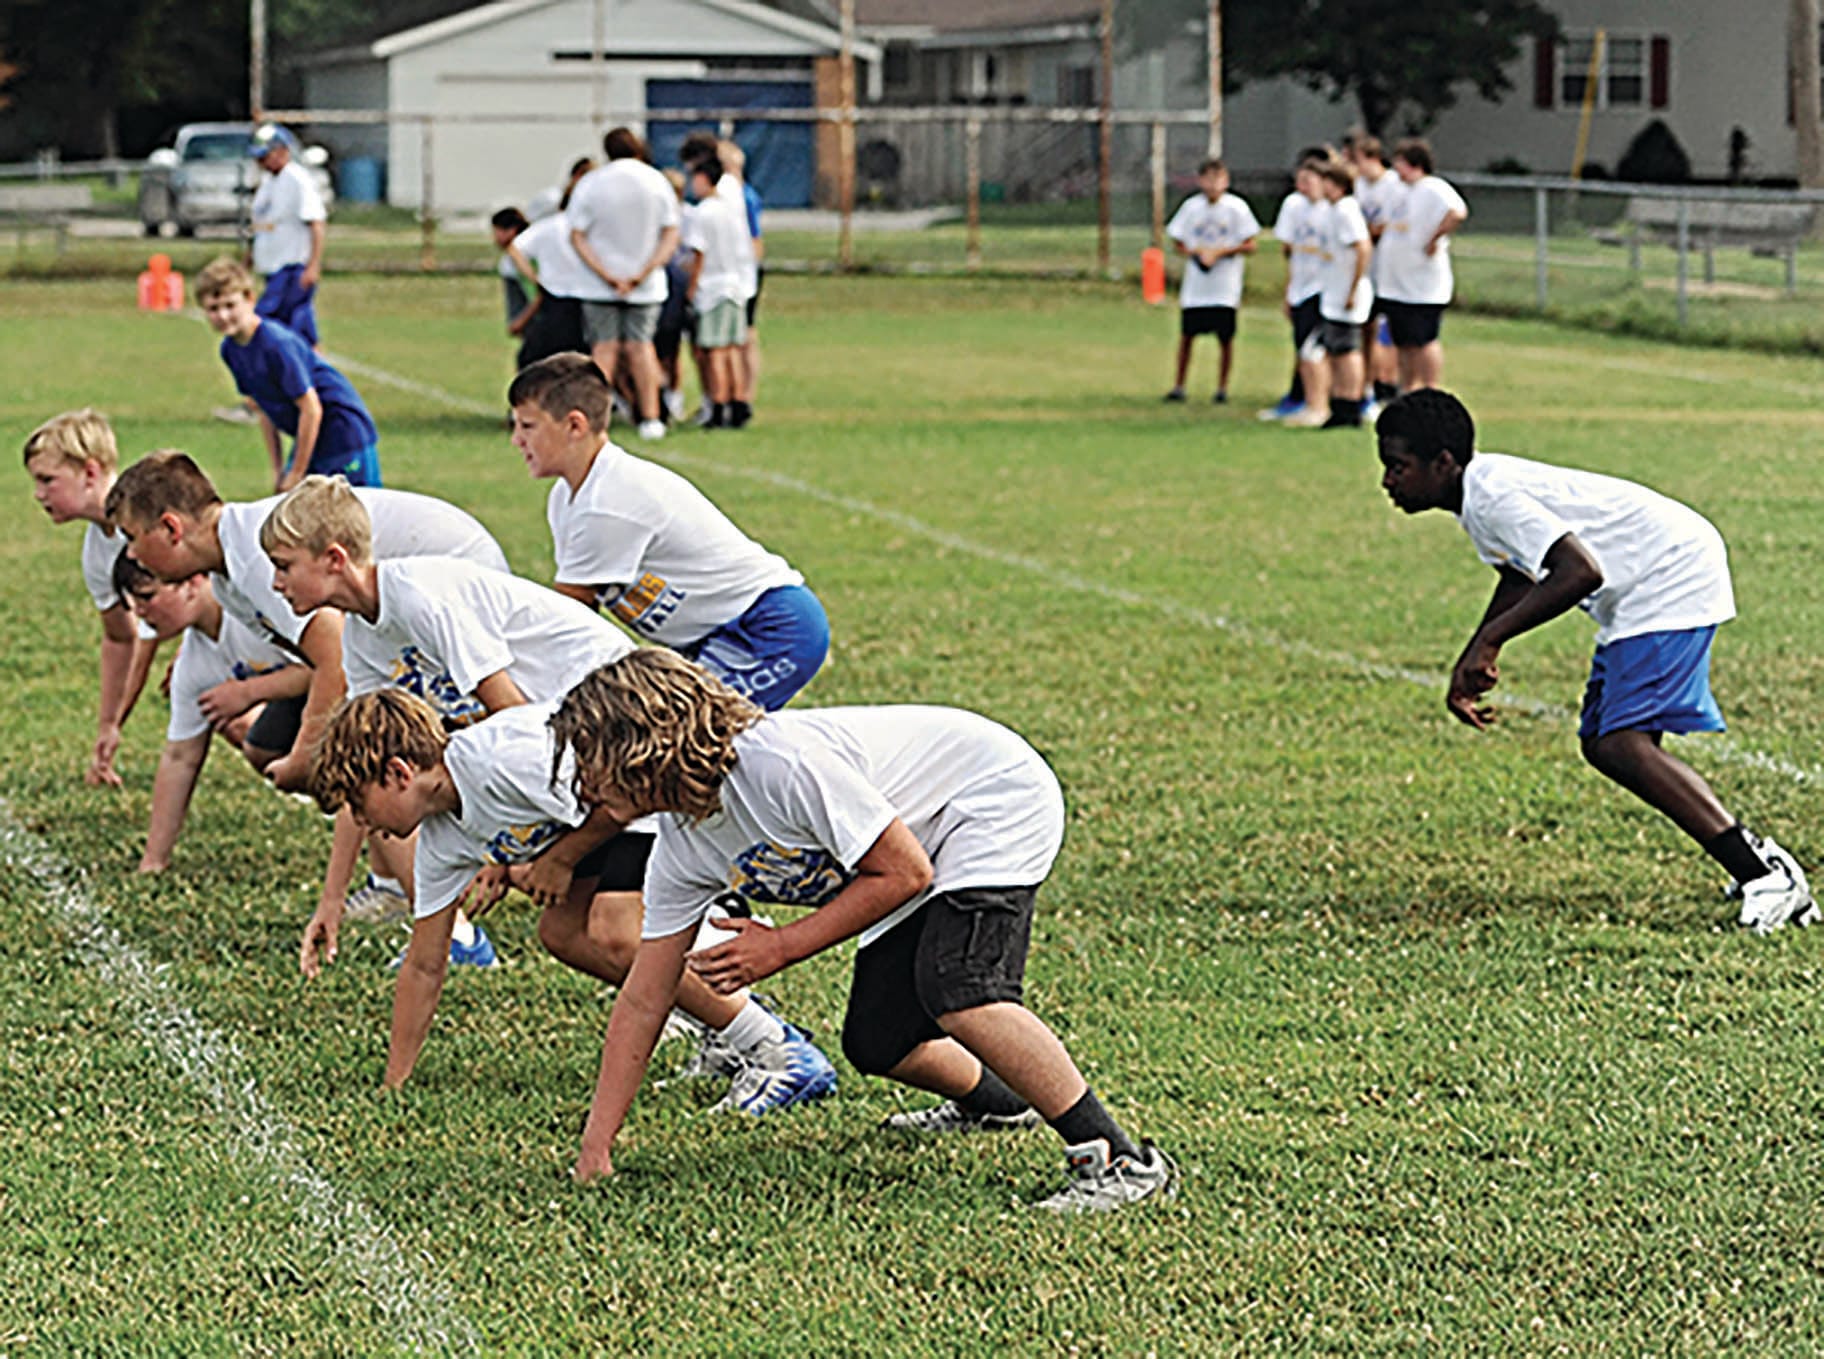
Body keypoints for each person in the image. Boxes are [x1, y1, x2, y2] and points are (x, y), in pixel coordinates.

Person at [549, 649, 1177, 1212]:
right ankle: (1000, 1103)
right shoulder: (682, 844)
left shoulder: (778, 767)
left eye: (590, 758)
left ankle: (1122, 1162)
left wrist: (782, 946)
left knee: (961, 989)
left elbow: (905, 872)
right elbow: (645, 996)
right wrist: (596, 1148)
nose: (583, 783)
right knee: (880, 1040)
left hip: (989, 797)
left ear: (645, 745)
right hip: (914, 846)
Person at [1375, 389, 1815, 934]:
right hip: (1645, 586)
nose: (1387, 482)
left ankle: (1765, 877)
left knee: (1623, 742)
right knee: (1604, 743)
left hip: (1669, 576)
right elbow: (1520, 575)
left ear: (1443, 463)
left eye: (1398, 467)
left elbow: (1579, 572)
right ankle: (1758, 859)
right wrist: (1478, 650)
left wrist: (1490, 640)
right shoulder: (1478, 496)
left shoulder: (1492, 498)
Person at [306, 688, 837, 1110]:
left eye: (359, 803)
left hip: (647, 799)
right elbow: (425, 964)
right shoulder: (443, 841)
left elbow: (621, 796)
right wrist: (395, 1084)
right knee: (562, 934)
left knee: (613, 929)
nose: (362, 822)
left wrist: (559, 860)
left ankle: (782, 1052)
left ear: (399, 774)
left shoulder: (503, 761)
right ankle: (726, 1028)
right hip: (602, 823)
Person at [104, 452, 507, 795]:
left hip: (459, 582)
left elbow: (334, 658)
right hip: (422, 602)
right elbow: (320, 662)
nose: (132, 555)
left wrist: (305, 758)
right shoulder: (228, 579)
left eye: (131, 537)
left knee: (384, 764)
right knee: (337, 757)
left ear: (171, 528)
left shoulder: (256, 556)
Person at [507, 354, 830, 709]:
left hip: (770, 629)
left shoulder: (608, 503)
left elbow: (567, 618)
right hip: (708, 639)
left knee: (690, 732)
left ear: (574, 425)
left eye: (527, 426)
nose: (516, 440)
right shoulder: (568, 496)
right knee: (672, 730)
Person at [110, 549, 309, 873]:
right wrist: (153, 861)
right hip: (304, 696)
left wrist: (248, 692)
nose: (139, 611)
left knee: (351, 766)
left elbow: (330, 666)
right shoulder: (193, 666)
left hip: (357, 688)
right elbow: (180, 758)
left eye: (147, 596)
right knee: (262, 751)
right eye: (133, 602)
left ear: (192, 582)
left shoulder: (254, 606)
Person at [21, 409, 161, 787]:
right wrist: (108, 727)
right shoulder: (97, 554)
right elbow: (121, 637)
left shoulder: (150, 510)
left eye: (47, 480)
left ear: (90, 472)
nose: (38, 494)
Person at [195, 258, 382, 493]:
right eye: (213, 309)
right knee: (306, 510)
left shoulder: (276, 344)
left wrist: (297, 472)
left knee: (357, 509)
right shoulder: (230, 351)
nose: (223, 316)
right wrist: (279, 469)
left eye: (230, 305)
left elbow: (311, 408)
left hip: (343, 434)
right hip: (314, 439)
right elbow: (263, 409)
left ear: (250, 299)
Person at [566, 128, 680, 441]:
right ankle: (651, 417)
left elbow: (577, 234)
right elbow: (671, 231)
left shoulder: (592, 183)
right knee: (641, 347)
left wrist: (604, 273)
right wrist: (646, 270)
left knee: (604, 349)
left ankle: (594, 420)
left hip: (599, 284)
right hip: (645, 284)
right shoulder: (656, 181)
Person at [1161, 157, 1258, 405]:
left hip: (1225, 286)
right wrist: (1197, 253)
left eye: (1218, 179)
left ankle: (1222, 387)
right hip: (1197, 286)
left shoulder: (1237, 208)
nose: (1213, 185)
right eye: (1208, 179)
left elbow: (1250, 244)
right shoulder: (1191, 208)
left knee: (1225, 338)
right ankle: (1179, 385)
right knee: (1187, 335)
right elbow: (1178, 241)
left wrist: (1221, 252)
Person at [1375, 139, 1468, 393]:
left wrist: (1434, 238)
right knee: (1404, 341)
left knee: (1424, 339)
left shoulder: (1433, 188)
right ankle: (1408, 386)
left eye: (1400, 162)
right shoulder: (1398, 190)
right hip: (1396, 283)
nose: (1396, 168)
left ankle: (1429, 386)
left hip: (1423, 285)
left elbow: (1457, 212)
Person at [1288, 160, 1372, 430]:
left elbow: (1363, 248)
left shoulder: (1347, 210)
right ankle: (1339, 403)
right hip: (1332, 292)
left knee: (1347, 350)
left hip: (1344, 293)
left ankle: (1351, 404)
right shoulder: (1334, 211)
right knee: (1335, 350)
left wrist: (1352, 288)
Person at [1259, 152, 1331, 423]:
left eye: (1308, 181)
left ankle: (1319, 405)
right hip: (1302, 288)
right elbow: (1289, 251)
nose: (1303, 187)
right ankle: (1305, 400)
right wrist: (1289, 291)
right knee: (1302, 347)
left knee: (1315, 349)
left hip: (1324, 288)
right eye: (1300, 181)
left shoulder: (1334, 209)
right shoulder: (1293, 205)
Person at [682, 154, 752, 430]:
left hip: (712, 287)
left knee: (715, 351)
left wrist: (691, 287)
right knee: (732, 347)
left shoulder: (703, 212)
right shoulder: (731, 209)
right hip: (734, 285)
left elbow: (699, 254)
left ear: (703, 179)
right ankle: (739, 401)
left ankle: (719, 404)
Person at [246, 123, 327, 348]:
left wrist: (313, 266)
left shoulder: (297, 180)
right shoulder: (268, 182)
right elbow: (261, 225)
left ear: (282, 151)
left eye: (265, 156)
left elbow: (316, 223)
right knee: (298, 331)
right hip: (272, 268)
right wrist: (248, 260)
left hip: (291, 268)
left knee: (265, 323)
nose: (261, 162)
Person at [1346, 133, 1402, 410]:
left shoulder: (1393, 185)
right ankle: (1365, 386)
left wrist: (1363, 234)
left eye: (1357, 160)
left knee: (1390, 334)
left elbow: (1388, 225)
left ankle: (1389, 383)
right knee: (1365, 330)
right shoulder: (1357, 186)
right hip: (1366, 271)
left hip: (1389, 271)